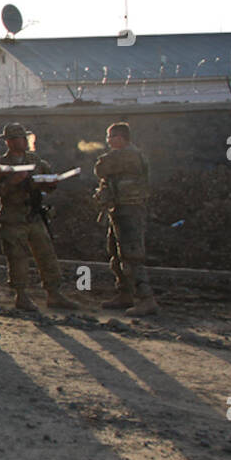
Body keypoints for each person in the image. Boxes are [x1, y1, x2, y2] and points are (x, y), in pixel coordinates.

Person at [0, 124, 81, 311]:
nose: (23, 142)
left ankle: (54, 293)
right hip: (13, 217)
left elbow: (48, 180)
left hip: (34, 215)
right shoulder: (0, 165)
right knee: (17, 258)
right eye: (17, 139)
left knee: (47, 255)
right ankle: (21, 296)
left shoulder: (36, 161)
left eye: (23, 138)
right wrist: (11, 183)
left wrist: (50, 184)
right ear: (10, 142)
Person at [93, 122, 158, 316]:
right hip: (119, 208)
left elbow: (100, 168)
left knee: (131, 255)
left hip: (129, 210)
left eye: (111, 137)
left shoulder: (128, 155)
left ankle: (146, 299)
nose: (108, 141)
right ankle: (124, 294)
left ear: (120, 138)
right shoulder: (130, 155)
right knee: (115, 252)